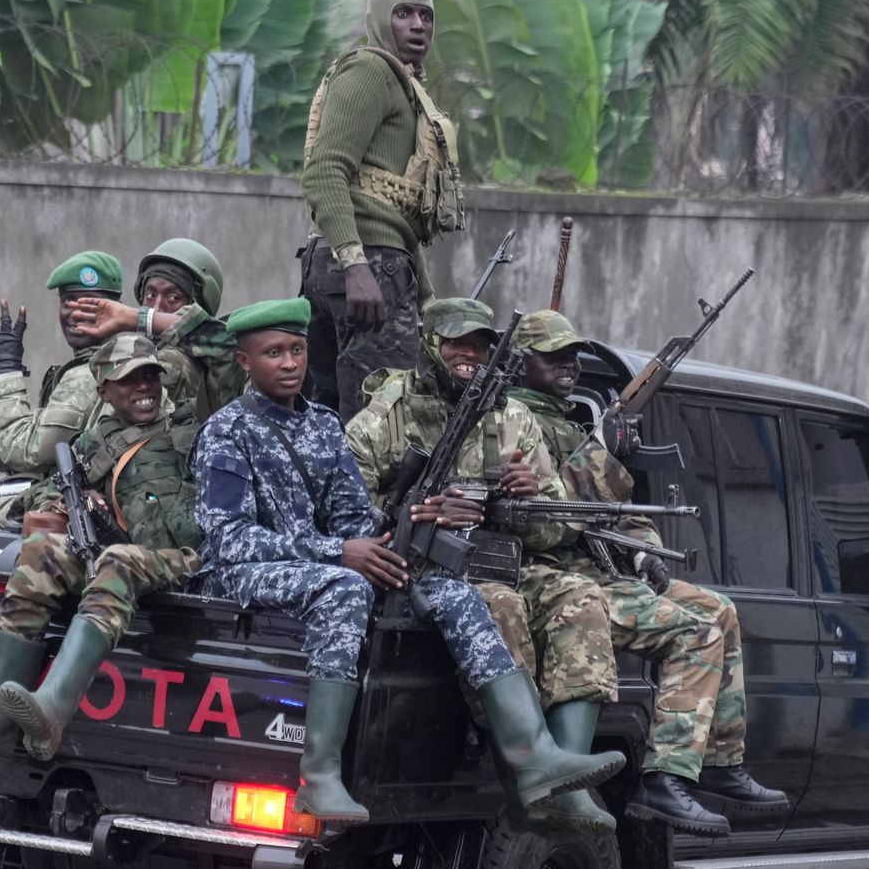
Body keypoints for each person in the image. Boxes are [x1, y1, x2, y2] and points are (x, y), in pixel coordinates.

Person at [194, 298, 624, 823]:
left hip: (320, 564)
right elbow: (227, 539)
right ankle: (320, 773)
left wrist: (397, 535)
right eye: (273, 353)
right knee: (347, 588)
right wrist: (339, 552)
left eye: (298, 351)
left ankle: (532, 754)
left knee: (450, 587)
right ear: (245, 362)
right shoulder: (227, 430)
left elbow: (353, 516)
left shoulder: (324, 426)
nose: (289, 364)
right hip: (243, 572)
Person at [344, 299, 623, 827]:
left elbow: (559, 526)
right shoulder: (390, 411)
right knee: (501, 607)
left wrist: (531, 494)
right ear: (432, 346)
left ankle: (567, 780)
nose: (468, 355)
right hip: (426, 565)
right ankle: (524, 769)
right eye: (457, 344)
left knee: (581, 599)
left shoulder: (513, 419)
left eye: (479, 345)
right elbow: (342, 506)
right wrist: (416, 511)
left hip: (505, 557)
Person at [509, 310, 787, 835]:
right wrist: (603, 453)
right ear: (522, 364)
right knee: (695, 632)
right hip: (550, 574)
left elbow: (621, 514)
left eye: (572, 356)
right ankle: (665, 781)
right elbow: (545, 512)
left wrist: (643, 553)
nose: (568, 366)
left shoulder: (572, 422)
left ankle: (722, 763)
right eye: (553, 357)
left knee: (720, 611)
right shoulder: (511, 422)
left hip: (599, 568)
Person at [0, 333, 203, 761]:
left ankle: (52, 706)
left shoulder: (189, 430)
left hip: (183, 557)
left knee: (117, 560)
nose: (144, 388)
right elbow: (44, 491)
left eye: (151, 377)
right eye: (130, 381)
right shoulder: (96, 442)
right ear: (104, 390)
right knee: (41, 553)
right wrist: (69, 502)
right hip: (122, 551)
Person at [299, 0, 466, 417]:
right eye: (403, 13)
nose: (418, 26)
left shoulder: (402, 86)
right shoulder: (370, 71)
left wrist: (422, 297)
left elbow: (398, 213)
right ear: (378, 19)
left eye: (426, 16)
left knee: (333, 418)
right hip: (363, 263)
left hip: (376, 263)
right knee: (380, 419)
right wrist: (356, 266)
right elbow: (324, 171)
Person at [65, 238, 246, 421]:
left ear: (197, 308)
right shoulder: (140, 353)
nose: (156, 308)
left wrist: (140, 318)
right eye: (150, 295)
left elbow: (227, 343)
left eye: (174, 298)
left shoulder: (174, 362)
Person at [0, 250, 125, 474]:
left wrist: (5, 372)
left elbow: (23, 450)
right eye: (68, 301)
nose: (76, 314)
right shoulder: (122, 357)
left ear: (118, 310)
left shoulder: (90, 375)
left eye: (90, 305)